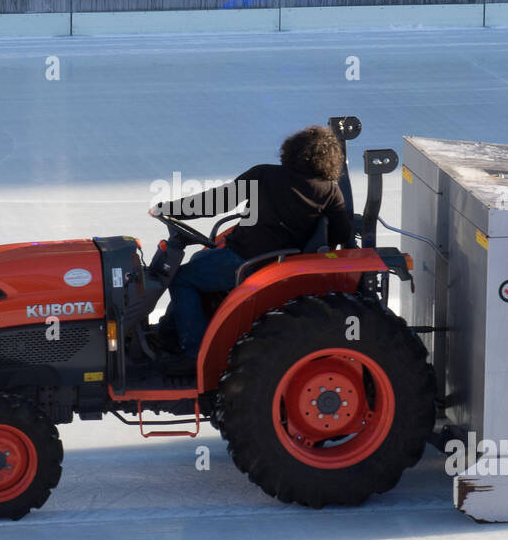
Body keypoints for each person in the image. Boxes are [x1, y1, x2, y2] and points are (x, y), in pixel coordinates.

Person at [149, 124, 354, 372]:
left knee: (181, 278)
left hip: (243, 260)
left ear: (293, 150)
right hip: (279, 265)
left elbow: (217, 201)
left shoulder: (265, 175)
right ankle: (171, 333)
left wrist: (168, 209)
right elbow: (342, 234)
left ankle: (193, 353)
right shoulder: (330, 193)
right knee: (199, 263)